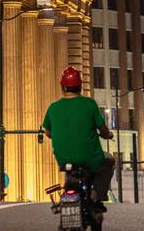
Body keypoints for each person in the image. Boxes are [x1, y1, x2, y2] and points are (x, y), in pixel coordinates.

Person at [42, 66, 115, 207]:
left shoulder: (53, 107)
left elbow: (47, 132)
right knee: (110, 160)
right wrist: (108, 135)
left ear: (62, 87)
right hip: (89, 158)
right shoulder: (89, 104)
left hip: (63, 159)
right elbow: (103, 129)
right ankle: (97, 195)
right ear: (80, 86)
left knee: (70, 170)